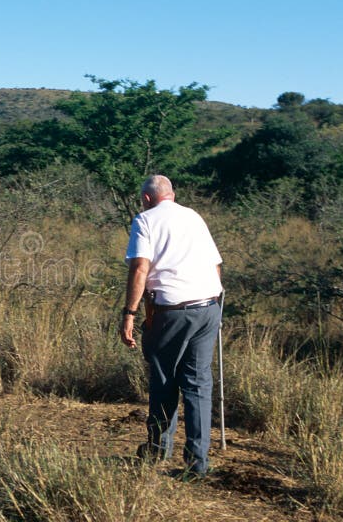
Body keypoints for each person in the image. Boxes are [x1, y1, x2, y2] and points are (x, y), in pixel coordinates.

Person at [119, 175, 223, 478]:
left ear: (146, 199)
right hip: (208, 307)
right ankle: (197, 463)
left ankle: (157, 451)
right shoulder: (194, 216)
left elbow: (140, 267)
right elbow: (216, 265)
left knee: (164, 379)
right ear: (172, 195)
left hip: (171, 311)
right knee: (198, 383)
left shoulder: (145, 219)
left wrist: (129, 313)